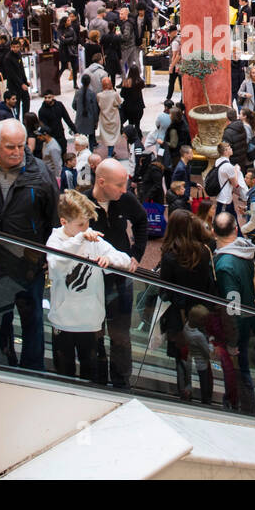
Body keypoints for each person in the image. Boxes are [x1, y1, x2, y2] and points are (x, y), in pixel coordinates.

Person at [0, 119, 56, 371]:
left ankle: (33, 370)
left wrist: (44, 257)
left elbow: (51, 219)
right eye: (10, 147)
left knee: (33, 322)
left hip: (28, 266)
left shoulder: (40, 173)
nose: (17, 152)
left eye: (21, 146)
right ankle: (4, 365)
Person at [45, 189, 137, 380]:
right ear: (64, 222)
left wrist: (109, 259)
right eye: (80, 224)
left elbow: (125, 260)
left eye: (87, 223)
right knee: (64, 373)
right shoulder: (56, 240)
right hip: (63, 321)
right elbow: (55, 266)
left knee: (92, 373)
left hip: (91, 322)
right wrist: (78, 240)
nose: (86, 228)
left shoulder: (93, 238)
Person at [87, 158, 149, 388]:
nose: (124, 190)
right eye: (119, 185)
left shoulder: (125, 200)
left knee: (120, 333)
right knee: (94, 331)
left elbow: (141, 221)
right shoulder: (82, 203)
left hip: (120, 279)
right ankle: (97, 378)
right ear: (101, 182)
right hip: (92, 282)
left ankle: (122, 380)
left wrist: (136, 255)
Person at [158, 210, 219, 402]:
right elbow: (210, 284)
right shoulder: (203, 251)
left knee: (182, 358)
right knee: (202, 358)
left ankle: (185, 395)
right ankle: (207, 398)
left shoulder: (169, 256)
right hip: (200, 313)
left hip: (179, 315)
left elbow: (165, 290)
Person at [212, 212, 255, 413]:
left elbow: (232, 307)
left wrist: (232, 342)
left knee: (239, 369)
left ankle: (244, 408)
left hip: (236, 328)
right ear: (235, 229)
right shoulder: (245, 250)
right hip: (248, 319)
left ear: (214, 232)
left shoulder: (224, 265)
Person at [38, 90, 76, 154]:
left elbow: (67, 119)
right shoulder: (42, 111)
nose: (47, 99)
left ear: (53, 97)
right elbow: (44, 126)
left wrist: (75, 130)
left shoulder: (59, 105)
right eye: (45, 98)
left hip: (60, 134)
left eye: (49, 97)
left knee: (64, 152)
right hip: (51, 137)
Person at [236, 64, 255, 130]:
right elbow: (239, 92)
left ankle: (252, 136)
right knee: (247, 124)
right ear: (250, 73)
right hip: (248, 105)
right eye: (253, 73)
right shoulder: (246, 82)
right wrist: (245, 94)